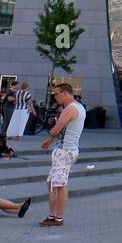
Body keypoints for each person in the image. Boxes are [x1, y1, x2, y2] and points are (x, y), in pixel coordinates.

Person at [39, 83, 85, 228]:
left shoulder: (69, 109)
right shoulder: (79, 107)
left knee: (59, 184)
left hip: (64, 150)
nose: (55, 97)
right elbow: (63, 130)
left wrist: (50, 132)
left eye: (56, 94)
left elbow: (56, 130)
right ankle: (53, 215)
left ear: (65, 93)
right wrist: (51, 140)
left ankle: (58, 218)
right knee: (52, 182)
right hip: (69, 148)